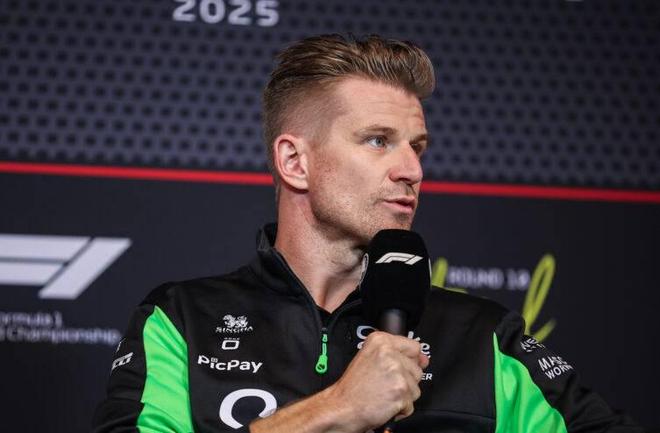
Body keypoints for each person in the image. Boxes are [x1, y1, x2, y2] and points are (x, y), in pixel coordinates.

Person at [92, 34, 643, 433]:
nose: (412, 170)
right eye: (378, 140)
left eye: (417, 147)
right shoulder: (182, 320)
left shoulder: (482, 338)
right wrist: (337, 409)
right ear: (295, 162)